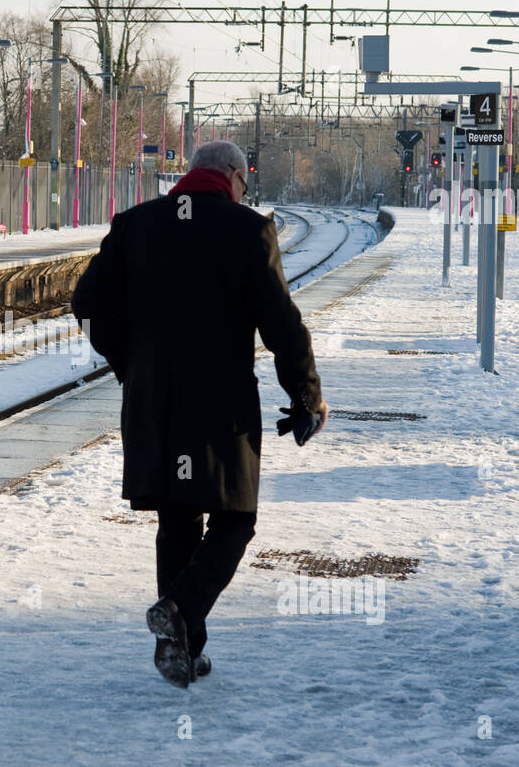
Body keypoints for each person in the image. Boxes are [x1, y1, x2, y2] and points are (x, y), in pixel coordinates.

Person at [72, 139, 328, 689]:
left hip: (152, 405)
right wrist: (306, 396)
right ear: (234, 175)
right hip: (220, 405)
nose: (244, 192)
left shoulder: (136, 224)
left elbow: (87, 304)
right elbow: (283, 326)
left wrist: (128, 362)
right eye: (244, 183)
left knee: (179, 516)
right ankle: (180, 612)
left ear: (191, 176)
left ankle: (182, 651)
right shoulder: (247, 230)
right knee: (235, 517)